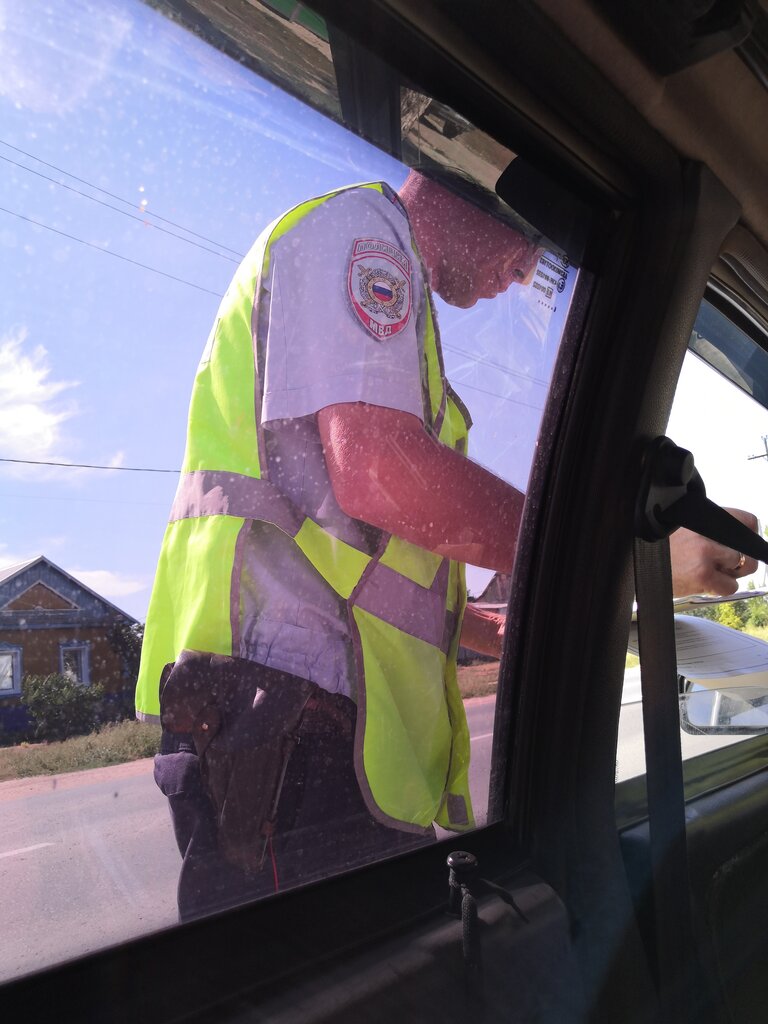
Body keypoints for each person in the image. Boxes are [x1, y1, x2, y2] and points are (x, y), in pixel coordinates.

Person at [135, 168, 757, 921]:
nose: (529, 269)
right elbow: (378, 468)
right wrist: (622, 552)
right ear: (473, 176)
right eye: (537, 242)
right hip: (285, 738)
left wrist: (616, 595)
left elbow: (431, 608)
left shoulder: (398, 337)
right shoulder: (363, 227)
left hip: (305, 741)